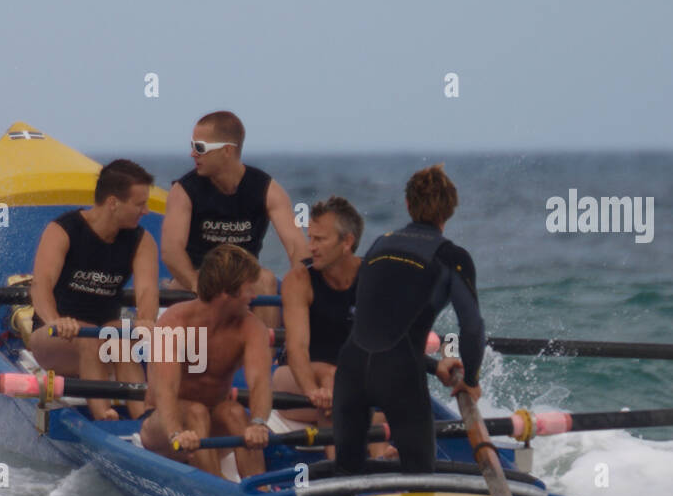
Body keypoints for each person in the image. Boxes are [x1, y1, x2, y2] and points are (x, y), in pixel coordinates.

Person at [332, 164, 483, 475]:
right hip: (400, 375)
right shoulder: (452, 257)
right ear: (450, 209)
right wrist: (471, 382)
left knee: (347, 475)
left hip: (350, 370)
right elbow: (471, 327)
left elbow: (366, 318)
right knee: (421, 479)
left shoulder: (378, 245)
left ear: (407, 205)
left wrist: (431, 366)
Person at [29, 159, 160, 420]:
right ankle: (104, 417)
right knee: (91, 340)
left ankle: (145, 420)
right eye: (139, 204)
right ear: (113, 202)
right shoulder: (63, 230)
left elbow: (147, 291)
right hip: (56, 335)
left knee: (120, 337)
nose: (146, 211)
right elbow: (41, 285)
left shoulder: (142, 240)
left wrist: (146, 320)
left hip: (104, 332)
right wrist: (55, 321)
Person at [272, 196, 394, 459]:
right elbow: (296, 349)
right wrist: (313, 391)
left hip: (350, 381)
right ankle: (340, 476)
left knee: (371, 399)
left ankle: (384, 468)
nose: (310, 247)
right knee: (332, 381)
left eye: (319, 240)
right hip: (294, 383)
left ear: (347, 242)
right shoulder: (299, 280)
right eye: (310, 238)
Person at [161, 110, 308, 326]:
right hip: (197, 277)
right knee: (176, 287)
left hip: (244, 277)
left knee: (265, 280)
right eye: (192, 146)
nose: (193, 154)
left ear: (227, 150)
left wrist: (301, 286)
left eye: (200, 148)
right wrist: (197, 284)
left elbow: (297, 247)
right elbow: (171, 251)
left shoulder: (267, 189)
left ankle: (265, 355)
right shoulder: (183, 191)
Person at [139, 244, 273, 479]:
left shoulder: (252, 328)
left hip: (211, 429)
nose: (255, 296)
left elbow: (261, 383)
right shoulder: (175, 322)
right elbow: (166, 390)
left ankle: (260, 489)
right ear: (226, 292)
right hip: (164, 427)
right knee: (196, 411)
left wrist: (259, 423)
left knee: (234, 411)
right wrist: (175, 434)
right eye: (248, 289)